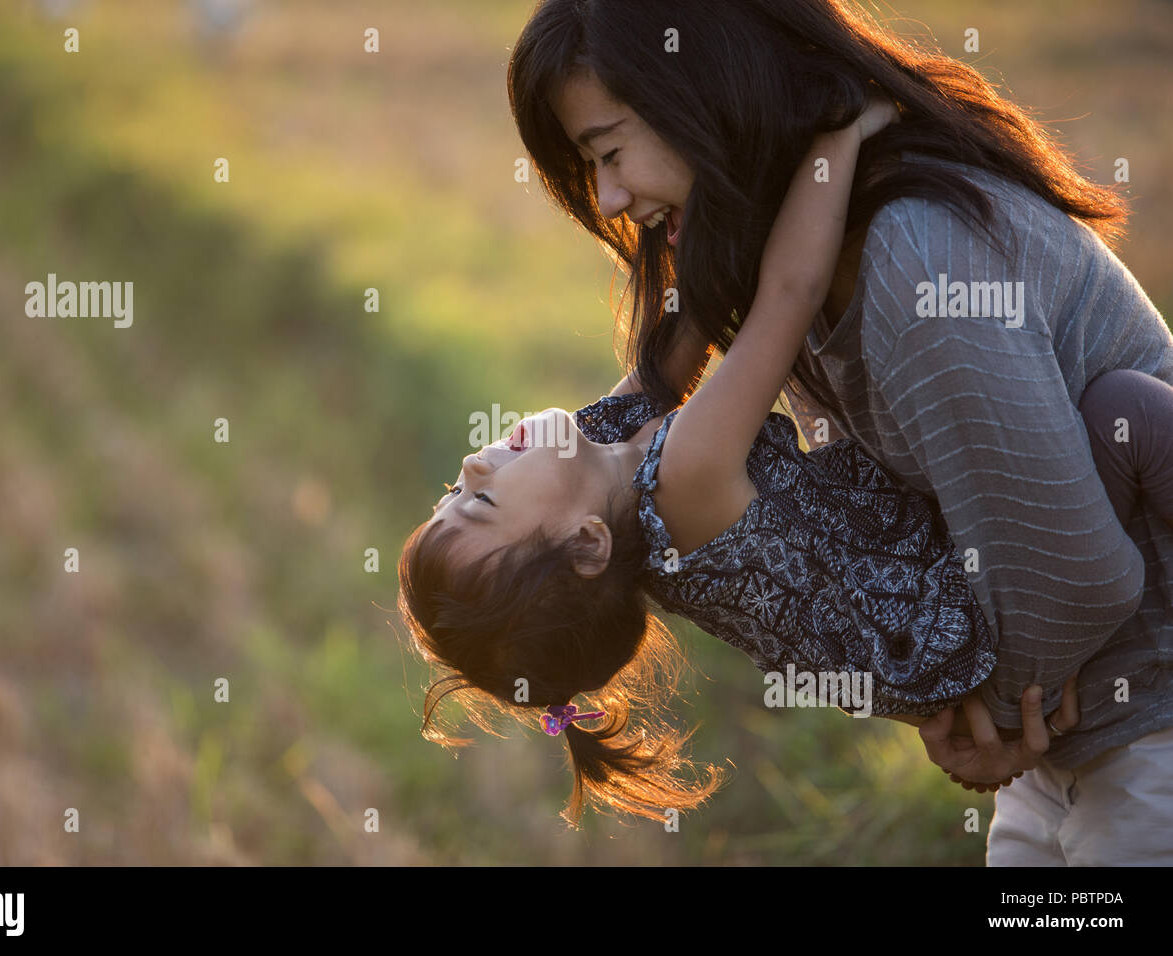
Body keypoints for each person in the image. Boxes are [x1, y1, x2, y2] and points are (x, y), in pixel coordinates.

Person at [504, 0, 1173, 862]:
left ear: (705, 97)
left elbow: (1072, 578)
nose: (611, 198)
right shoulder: (802, 284)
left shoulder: (915, 268)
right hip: (1068, 744)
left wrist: (988, 716)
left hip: (1145, 732)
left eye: (609, 151)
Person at [398, 102, 1104, 829]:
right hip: (949, 624)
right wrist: (833, 140)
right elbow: (785, 294)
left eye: (453, 491)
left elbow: (698, 310)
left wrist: (715, 176)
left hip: (927, 616)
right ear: (587, 543)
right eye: (481, 504)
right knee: (1132, 426)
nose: (471, 467)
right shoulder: (684, 486)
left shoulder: (607, 443)